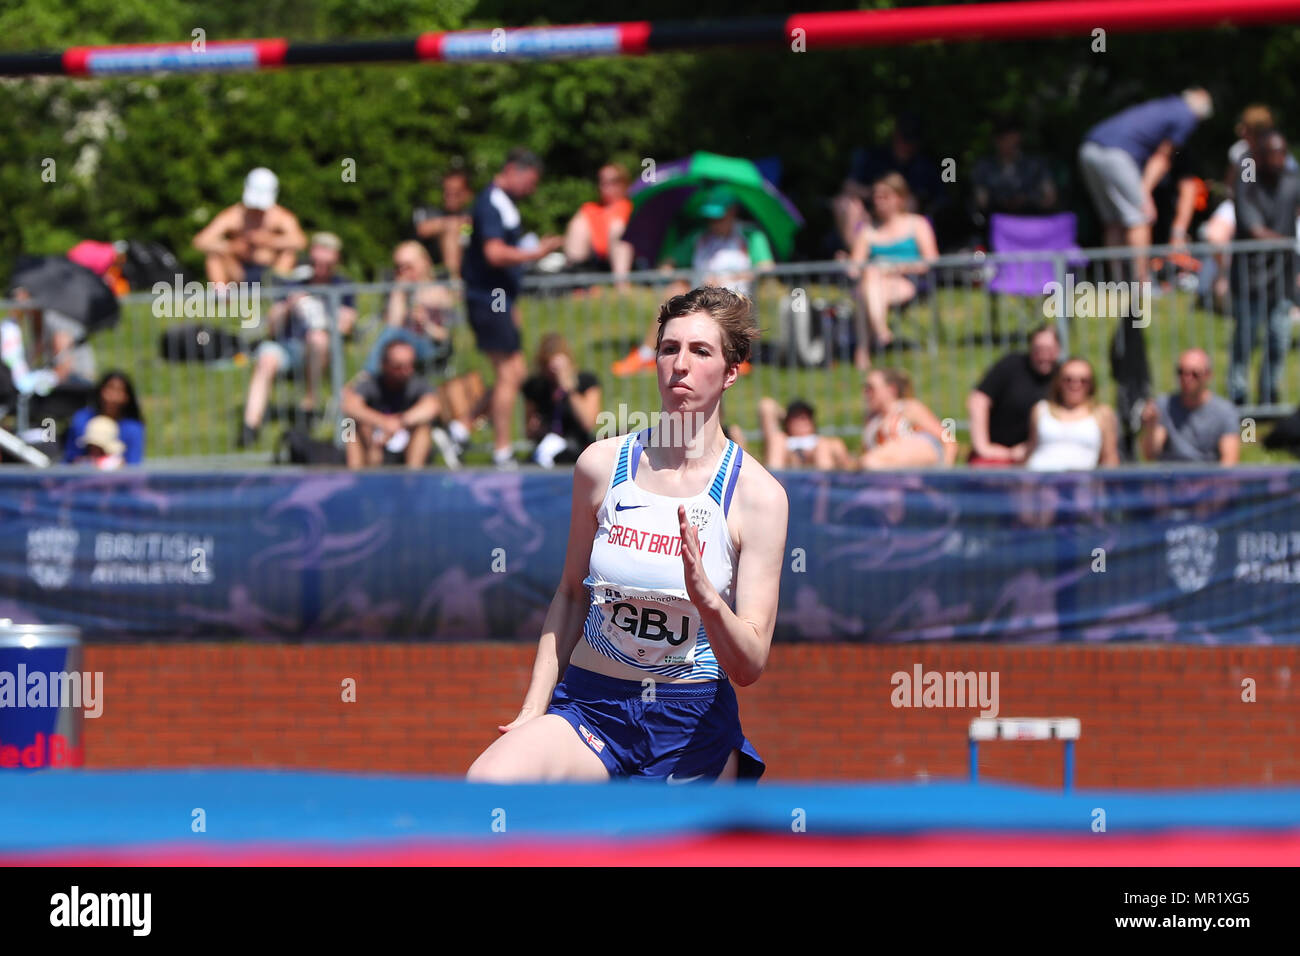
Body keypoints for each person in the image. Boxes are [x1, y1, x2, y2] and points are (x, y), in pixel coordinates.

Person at [467, 286, 788, 783]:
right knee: (491, 784)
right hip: (592, 707)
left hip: (689, 722)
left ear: (729, 373)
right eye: (668, 348)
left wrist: (707, 601)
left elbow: (749, 665)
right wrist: (534, 707)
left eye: (700, 351)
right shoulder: (601, 466)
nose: (679, 363)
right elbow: (572, 594)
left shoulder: (758, 496)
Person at [461, 147, 564, 469]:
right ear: (514, 170)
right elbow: (494, 253)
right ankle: (502, 450)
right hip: (487, 298)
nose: (531, 189)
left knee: (515, 373)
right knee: (508, 374)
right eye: (529, 181)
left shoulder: (503, 204)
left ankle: (460, 428)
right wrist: (535, 253)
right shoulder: (491, 203)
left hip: (499, 300)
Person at [612, 186, 771, 376]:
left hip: (735, 299)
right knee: (673, 292)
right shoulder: (698, 237)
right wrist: (669, 272)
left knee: (718, 297)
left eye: (718, 216)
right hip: (700, 295)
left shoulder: (751, 236)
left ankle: (733, 356)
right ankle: (648, 353)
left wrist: (728, 278)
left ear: (732, 212)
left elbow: (766, 267)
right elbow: (669, 263)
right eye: (710, 217)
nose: (713, 222)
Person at [1078, 89, 1213, 284]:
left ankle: (1118, 283)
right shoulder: (1187, 116)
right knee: (1141, 217)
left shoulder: (1166, 105)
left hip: (1088, 149)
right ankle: (1141, 284)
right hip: (1116, 154)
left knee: (1113, 221)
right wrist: (1144, 193)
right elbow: (1162, 157)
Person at [238, 233, 357, 446]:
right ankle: (250, 425)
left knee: (317, 339)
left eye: (326, 264)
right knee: (266, 358)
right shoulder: (293, 283)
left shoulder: (343, 286)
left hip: (322, 349)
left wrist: (328, 318)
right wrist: (288, 305)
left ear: (335, 261)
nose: (320, 269)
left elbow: (347, 326)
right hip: (289, 346)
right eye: (315, 263)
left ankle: (308, 406)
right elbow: (272, 327)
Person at [1228, 129, 1299, 408]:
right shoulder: (1248, 181)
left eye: (1282, 154)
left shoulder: (1292, 181)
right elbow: (1252, 228)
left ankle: (1270, 397)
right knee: (1244, 343)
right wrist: (1289, 243)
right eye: (1271, 153)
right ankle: (1239, 399)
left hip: (1281, 280)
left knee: (1278, 342)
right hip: (1250, 279)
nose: (1278, 160)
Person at [847, 173, 939, 369]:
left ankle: (863, 350)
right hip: (874, 284)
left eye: (885, 196)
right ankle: (880, 330)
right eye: (877, 196)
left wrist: (896, 268)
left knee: (867, 288)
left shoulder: (917, 224)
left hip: (907, 281)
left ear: (900, 198)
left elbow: (931, 260)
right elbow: (855, 266)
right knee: (870, 279)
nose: (879, 201)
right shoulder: (868, 230)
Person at [833, 113, 945, 252]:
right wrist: (876, 195)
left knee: (911, 203)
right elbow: (849, 186)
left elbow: (929, 198)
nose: (906, 145)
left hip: (902, 216)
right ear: (895, 136)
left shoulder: (924, 165)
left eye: (911, 141)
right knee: (846, 204)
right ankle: (857, 255)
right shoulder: (873, 157)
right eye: (903, 139)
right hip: (868, 216)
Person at [192, 168, 307, 288]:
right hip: (239, 272)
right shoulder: (233, 215)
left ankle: (277, 291)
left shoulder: (280, 216)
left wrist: (270, 241)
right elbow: (200, 241)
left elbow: (300, 242)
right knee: (214, 255)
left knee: (289, 252)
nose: (257, 211)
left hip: (271, 270)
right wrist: (231, 246)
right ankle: (222, 296)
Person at [967, 323, 1062, 466]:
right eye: (1038, 349)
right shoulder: (1012, 365)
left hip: (1040, 456)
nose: (1043, 355)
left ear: (1058, 350)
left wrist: (1029, 449)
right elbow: (978, 400)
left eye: (1048, 349)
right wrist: (984, 447)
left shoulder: (1064, 378)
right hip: (997, 453)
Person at [340, 340, 442, 469]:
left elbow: (433, 406)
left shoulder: (417, 383)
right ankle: (355, 476)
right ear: (384, 365)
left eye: (409, 365)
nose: (405, 371)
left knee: (423, 428)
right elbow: (349, 405)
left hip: (406, 440)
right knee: (349, 425)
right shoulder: (372, 383)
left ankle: (413, 478)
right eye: (398, 366)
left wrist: (400, 421)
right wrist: (383, 422)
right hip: (372, 442)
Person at [365, 241, 455, 377]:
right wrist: (399, 293)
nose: (403, 272)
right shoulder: (402, 291)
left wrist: (425, 323)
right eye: (399, 267)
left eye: (408, 266)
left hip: (430, 346)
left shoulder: (439, 292)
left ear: (424, 262)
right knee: (393, 336)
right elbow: (393, 324)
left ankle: (366, 378)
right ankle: (367, 380)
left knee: (395, 336)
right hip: (400, 344)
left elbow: (446, 336)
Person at [1138, 349, 1240, 464]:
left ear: (1208, 375)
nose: (1187, 378)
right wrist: (1151, 428)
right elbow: (1150, 455)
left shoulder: (1225, 412)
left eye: (1195, 374)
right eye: (1181, 372)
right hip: (1171, 479)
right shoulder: (1164, 405)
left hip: (1209, 479)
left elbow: (1229, 462)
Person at [1024, 358, 1120, 471]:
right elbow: (1031, 449)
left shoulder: (1102, 413)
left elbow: (1110, 458)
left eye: (1083, 380)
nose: (1075, 385)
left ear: (1091, 384)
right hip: (1040, 481)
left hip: (1081, 484)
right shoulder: (1040, 409)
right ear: (1059, 382)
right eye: (1068, 380)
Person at [521, 333, 602, 468]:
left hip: (578, 447)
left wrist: (569, 388)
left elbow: (588, 423)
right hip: (547, 451)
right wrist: (536, 428)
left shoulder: (586, 382)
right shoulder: (536, 386)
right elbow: (529, 432)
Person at [859, 367, 952, 469]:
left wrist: (945, 472)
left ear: (891, 389)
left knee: (871, 461)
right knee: (868, 461)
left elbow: (948, 440)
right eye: (864, 388)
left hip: (920, 454)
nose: (866, 393)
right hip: (890, 465)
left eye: (870, 388)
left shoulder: (908, 408)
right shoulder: (872, 420)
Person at [971, 115, 1058, 221]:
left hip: (1033, 222)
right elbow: (981, 202)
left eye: (1012, 137)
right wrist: (1002, 203)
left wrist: (1028, 201)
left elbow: (1050, 198)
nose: (1009, 142)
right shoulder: (984, 168)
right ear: (996, 140)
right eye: (1003, 138)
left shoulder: (1036, 165)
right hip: (997, 224)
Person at [561, 163, 634, 279]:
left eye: (613, 181)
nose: (606, 186)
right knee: (578, 225)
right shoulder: (590, 209)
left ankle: (622, 285)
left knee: (618, 231)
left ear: (623, 183)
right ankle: (574, 277)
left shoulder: (632, 206)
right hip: (593, 257)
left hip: (626, 258)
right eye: (602, 181)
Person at [63, 370, 145, 464]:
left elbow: (133, 465)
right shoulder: (82, 419)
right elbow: (70, 458)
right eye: (110, 388)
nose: (113, 396)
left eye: (119, 391)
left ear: (127, 397)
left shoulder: (133, 429)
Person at [757, 396, 851, 469]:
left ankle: (825, 492)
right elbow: (766, 406)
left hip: (819, 476)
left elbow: (849, 467)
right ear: (788, 422)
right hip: (786, 476)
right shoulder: (781, 440)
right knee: (778, 441)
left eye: (805, 417)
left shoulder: (826, 443)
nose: (802, 421)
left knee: (824, 447)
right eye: (796, 417)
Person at [411, 169, 473, 278]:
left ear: (467, 194)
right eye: (447, 191)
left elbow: (468, 236)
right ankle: (453, 283)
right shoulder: (431, 211)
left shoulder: (474, 214)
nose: (450, 196)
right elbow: (422, 229)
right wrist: (451, 224)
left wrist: (465, 225)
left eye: (456, 193)